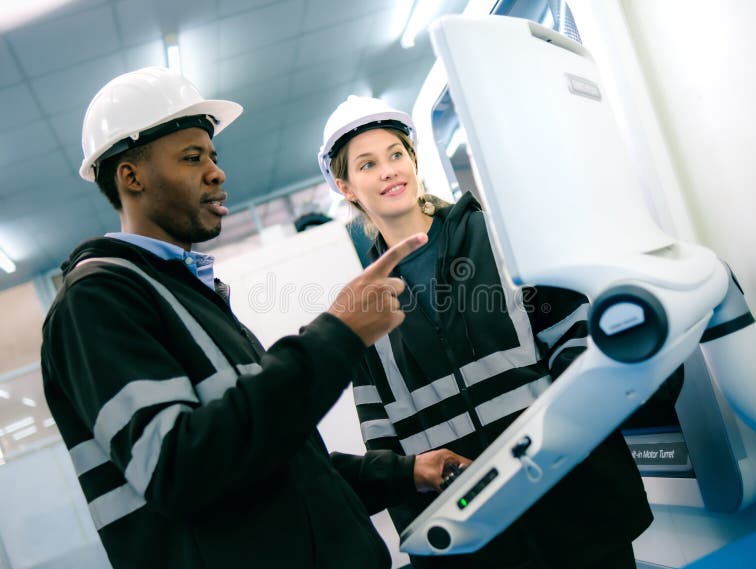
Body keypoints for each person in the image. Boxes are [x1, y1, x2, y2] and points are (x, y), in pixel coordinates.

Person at [40, 67, 470, 569]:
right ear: (131, 177)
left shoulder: (186, 293)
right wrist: (339, 333)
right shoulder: (97, 301)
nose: (217, 172)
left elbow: (278, 467)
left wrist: (405, 473)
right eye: (192, 157)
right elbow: (177, 468)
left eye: (213, 157)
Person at [317, 95, 655, 569]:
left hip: (576, 503)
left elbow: (577, 347)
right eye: (367, 164)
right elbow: (383, 442)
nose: (389, 171)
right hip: (478, 536)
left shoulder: (498, 236)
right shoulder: (366, 304)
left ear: (413, 161)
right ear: (346, 187)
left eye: (396, 154)